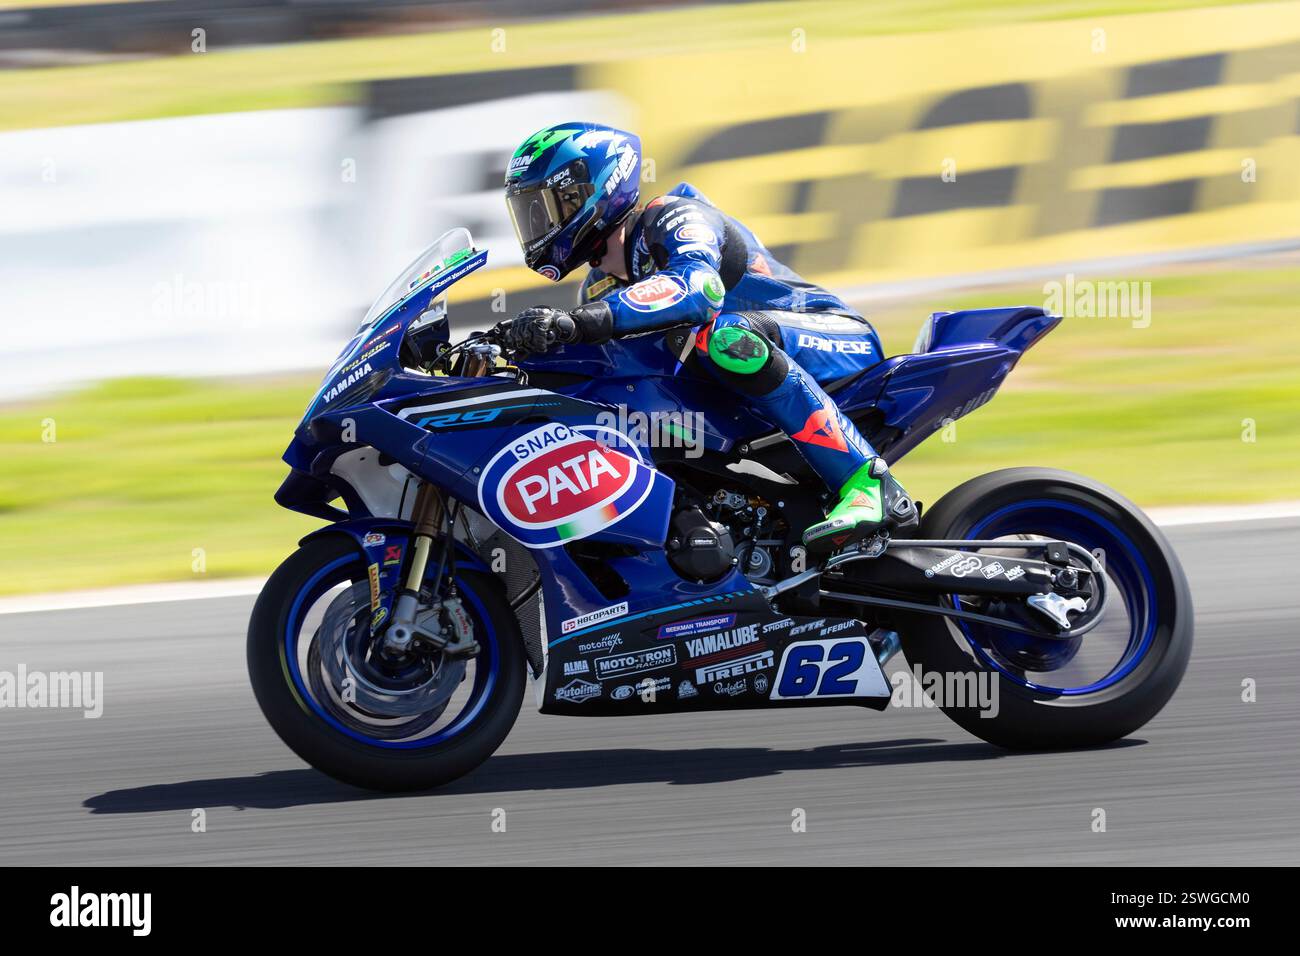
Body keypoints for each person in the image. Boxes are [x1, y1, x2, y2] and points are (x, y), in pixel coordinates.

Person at [502, 122, 916, 554]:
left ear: (593, 189)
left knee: (725, 338)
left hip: (831, 334)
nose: (538, 225)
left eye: (546, 207)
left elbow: (699, 289)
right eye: (529, 213)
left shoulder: (674, 216)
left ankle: (869, 484)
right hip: (748, 380)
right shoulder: (596, 289)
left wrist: (577, 323)